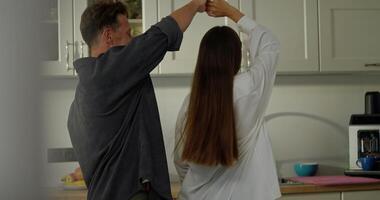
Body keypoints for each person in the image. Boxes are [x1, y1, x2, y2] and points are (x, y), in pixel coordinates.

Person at [67, 1, 206, 200]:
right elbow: (161, 34)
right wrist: (195, 4)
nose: (134, 41)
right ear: (108, 36)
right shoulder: (109, 72)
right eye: (129, 33)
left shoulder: (77, 106)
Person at [174, 0, 281, 199]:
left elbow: (181, 160)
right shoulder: (251, 87)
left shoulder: (192, 101)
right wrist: (232, 13)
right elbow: (270, 43)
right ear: (236, 56)